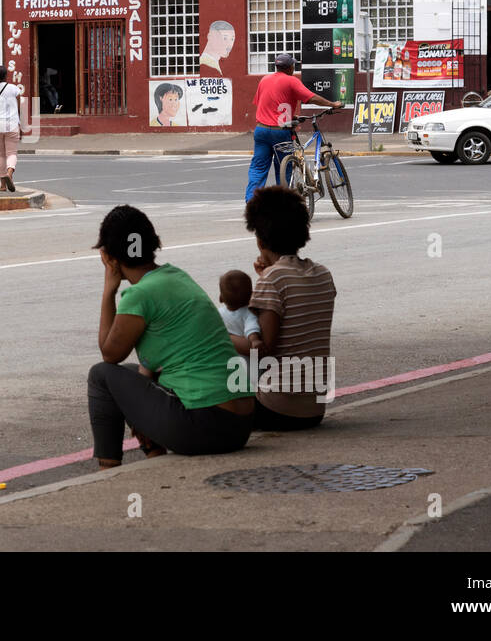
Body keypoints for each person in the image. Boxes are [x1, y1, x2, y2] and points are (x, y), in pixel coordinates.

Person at [87, 205, 254, 469]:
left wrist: (109, 291)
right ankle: (154, 455)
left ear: (108, 256)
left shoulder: (140, 295)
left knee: (101, 375)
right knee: (134, 376)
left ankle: (108, 469)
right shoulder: (177, 276)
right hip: (241, 425)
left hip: (204, 426)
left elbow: (110, 353)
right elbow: (148, 371)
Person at [244, 187, 336, 430]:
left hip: (277, 407)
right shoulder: (323, 274)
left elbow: (263, 349)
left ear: (260, 239)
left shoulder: (272, 280)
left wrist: (218, 337)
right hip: (314, 409)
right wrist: (267, 277)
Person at [245, 53, 342, 203]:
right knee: (284, 170)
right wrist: (332, 104)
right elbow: (312, 98)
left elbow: (269, 104)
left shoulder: (264, 80)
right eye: (293, 65)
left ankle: (251, 202)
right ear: (290, 67)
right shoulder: (291, 81)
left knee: (258, 169)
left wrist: (290, 116)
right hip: (280, 132)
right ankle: (285, 204)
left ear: (276, 66)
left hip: (261, 130)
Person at [217, 269, 262, 355]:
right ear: (252, 295)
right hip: (245, 356)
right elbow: (251, 328)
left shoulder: (218, 313)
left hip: (229, 354)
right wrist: (255, 340)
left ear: (220, 298)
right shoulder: (249, 313)